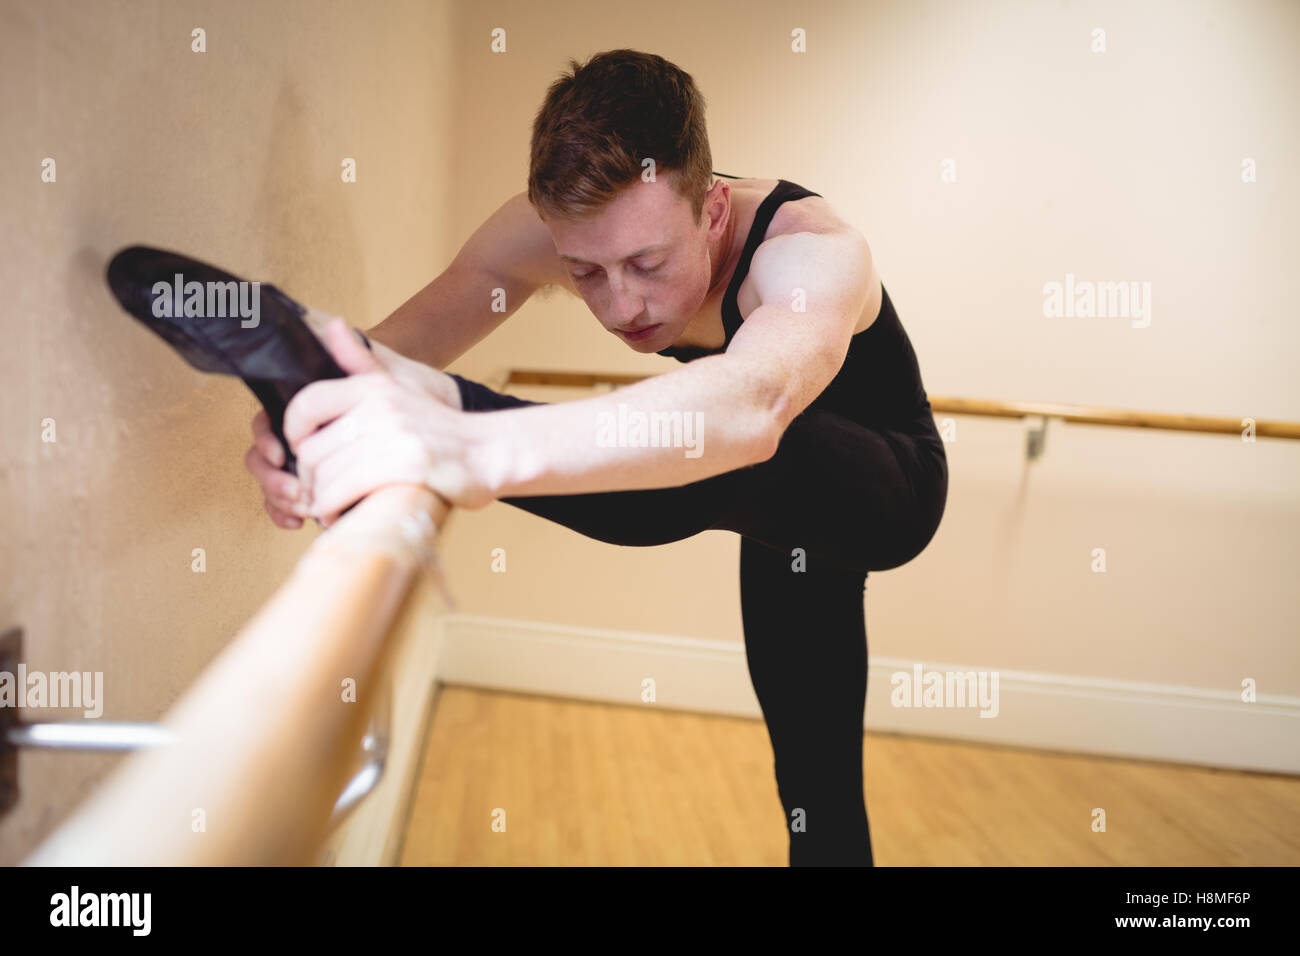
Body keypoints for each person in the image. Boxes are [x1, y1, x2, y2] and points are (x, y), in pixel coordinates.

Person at [245, 49, 947, 866]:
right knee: (815, 792)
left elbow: (750, 409)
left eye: (647, 264)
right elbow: (395, 350)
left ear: (713, 209)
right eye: (585, 273)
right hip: (777, 518)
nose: (620, 305)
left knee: (719, 449)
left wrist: (459, 436)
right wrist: (301, 416)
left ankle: (451, 420)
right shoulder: (543, 228)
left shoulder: (809, 251)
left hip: (888, 487)